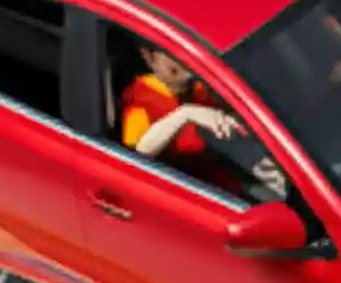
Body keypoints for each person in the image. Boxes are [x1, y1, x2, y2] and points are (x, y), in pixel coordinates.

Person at [121, 43, 286, 198]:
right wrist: (184, 115)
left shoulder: (199, 87)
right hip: (193, 191)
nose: (181, 60)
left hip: (229, 177)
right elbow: (138, 153)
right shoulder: (140, 97)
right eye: (170, 53)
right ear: (149, 57)